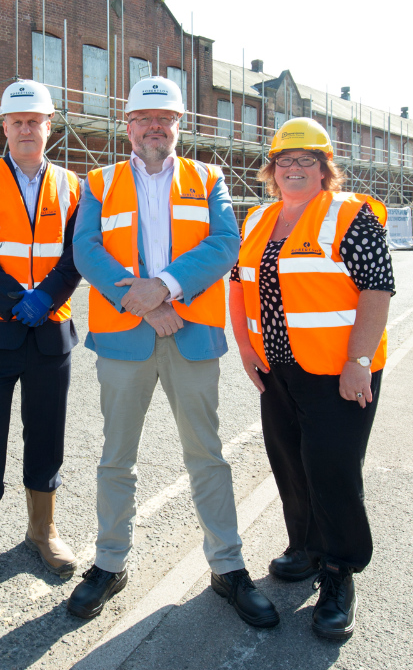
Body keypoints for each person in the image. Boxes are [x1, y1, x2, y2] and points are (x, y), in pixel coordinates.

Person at [67, 76, 279, 628]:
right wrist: (142, 303)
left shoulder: (209, 177)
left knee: (207, 456)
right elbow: (86, 250)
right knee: (117, 458)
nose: (155, 127)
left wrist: (163, 286)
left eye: (166, 118)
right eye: (144, 118)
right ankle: (110, 564)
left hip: (190, 335)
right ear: (129, 126)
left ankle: (228, 568)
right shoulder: (99, 181)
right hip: (124, 338)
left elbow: (224, 244)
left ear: (179, 125)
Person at [227, 116, 394, 640]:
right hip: (278, 370)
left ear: (325, 169)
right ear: (271, 170)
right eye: (285, 161)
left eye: (306, 161)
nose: (294, 169)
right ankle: (304, 548)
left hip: (337, 374)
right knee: (290, 465)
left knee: (332, 471)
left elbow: (377, 289)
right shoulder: (258, 218)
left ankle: (340, 574)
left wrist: (359, 360)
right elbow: (238, 283)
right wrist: (247, 346)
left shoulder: (351, 216)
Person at [0, 79, 83, 609]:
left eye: (36, 121)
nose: (26, 129)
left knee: (46, 437)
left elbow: (79, 251)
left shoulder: (75, 185)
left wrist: (47, 297)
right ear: (3, 126)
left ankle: (41, 532)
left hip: (51, 333)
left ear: (50, 126)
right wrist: (15, 300)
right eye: (17, 121)